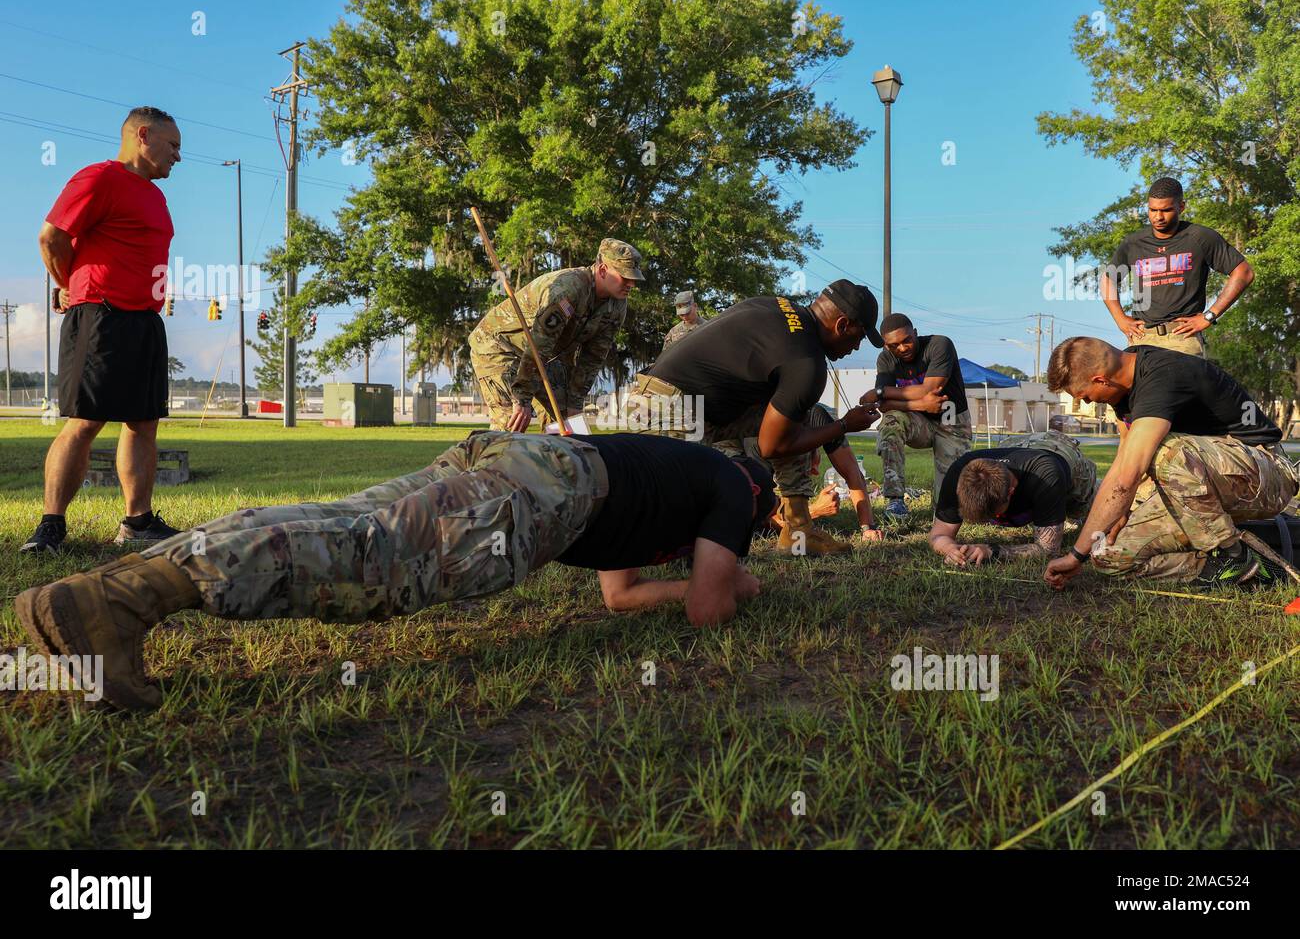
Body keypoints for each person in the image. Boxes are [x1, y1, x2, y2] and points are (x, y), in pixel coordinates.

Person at [15, 431, 778, 711]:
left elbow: (618, 596)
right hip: (549, 489)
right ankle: (120, 601)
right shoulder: (735, 491)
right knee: (373, 561)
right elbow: (711, 611)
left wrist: (678, 581)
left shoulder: (686, 473)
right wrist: (733, 583)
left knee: (340, 522)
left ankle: (93, 596)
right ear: (759, 496)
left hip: (524, 458)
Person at [628, 280, 891, 556]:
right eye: (859, 336)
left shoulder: (777, 305)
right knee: (671, 531)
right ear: (842, 325)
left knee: (794, 422)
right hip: (663, 407)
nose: (857, 347)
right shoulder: (807, 362)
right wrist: (845, 425)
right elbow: (772, 447)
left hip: (688, 404)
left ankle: (798, 531)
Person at [22, 107, 185, 555]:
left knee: (143, 422)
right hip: (101, 316)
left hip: (145, 320)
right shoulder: (98, 178)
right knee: (85, 422)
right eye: (173, 146)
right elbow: (50, 237)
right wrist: (68, 285)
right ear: (143, 135)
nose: (178, 156)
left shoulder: (155, 195)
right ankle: (50, 528)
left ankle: (138, 521)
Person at [1041, 337, 1298, 589]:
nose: (1087, 403)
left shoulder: (1162, 377)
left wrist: (1075, 554)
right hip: (1207, 486)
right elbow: (1122, 462)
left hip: (1267, 474)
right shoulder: (1124, 382)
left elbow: (1127, 477)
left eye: (1085, 396)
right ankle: (1243, 569)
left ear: (1101, 379)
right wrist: (1109, 523)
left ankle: (1232, 554)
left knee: (1167, 451)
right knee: (1107, 555)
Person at [469, 238, 643, 431]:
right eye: (625, 277)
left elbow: (593, 358)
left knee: (569, 426)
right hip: (499, 347)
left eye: (634, 278)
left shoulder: (617, 305)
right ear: (603, 270)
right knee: (512, 425)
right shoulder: (567, 290)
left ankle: (555, 460)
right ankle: (494, 457)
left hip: (542, 357)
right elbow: (539, 345)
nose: (631, 284)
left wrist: (575, 404)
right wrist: (523, 397)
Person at [1102, 177, 1254, 358]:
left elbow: (1244, 272)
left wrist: (1209, 316)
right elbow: (1108, 279)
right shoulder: (1134, 243)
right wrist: (1120, 319)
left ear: (1181, 207)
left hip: (1182, 338)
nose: (1158, 217)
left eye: (1166, 210)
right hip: (1142, 339)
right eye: (1153, 210)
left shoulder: (1199, 237)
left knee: (1180, 387)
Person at [928, 430, 1097, 566]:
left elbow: (1048, 550)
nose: (989, 520)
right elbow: (939, 533)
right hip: (1014, 446)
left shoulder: (1047, 477)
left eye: (992, 515)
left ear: (1011, 492)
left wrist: (992, 552)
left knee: (1083, 512)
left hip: (1061, 452)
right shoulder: (959, 472)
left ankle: (1097, 487)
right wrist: (949, 548)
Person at [863, 313, 973, 520]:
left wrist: (880, 391)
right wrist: (920, 404)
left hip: (952, 422)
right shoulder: (886, 359)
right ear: (886, 346)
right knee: (891, 421)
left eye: (907, 340)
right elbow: (885, 406)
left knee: (947, 509)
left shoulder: (939, 344)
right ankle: (895, 500)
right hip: (919, 421)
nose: (902, 348)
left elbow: (930, 388)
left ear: (915, 333)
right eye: (894, 345)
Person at [746, 403, 884, 541]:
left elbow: (852, 472)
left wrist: (868, 527)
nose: (816, 471)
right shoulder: (755, 441)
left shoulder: (814, 415)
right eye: (804, 461)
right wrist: (815, 510)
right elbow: (762, 522)